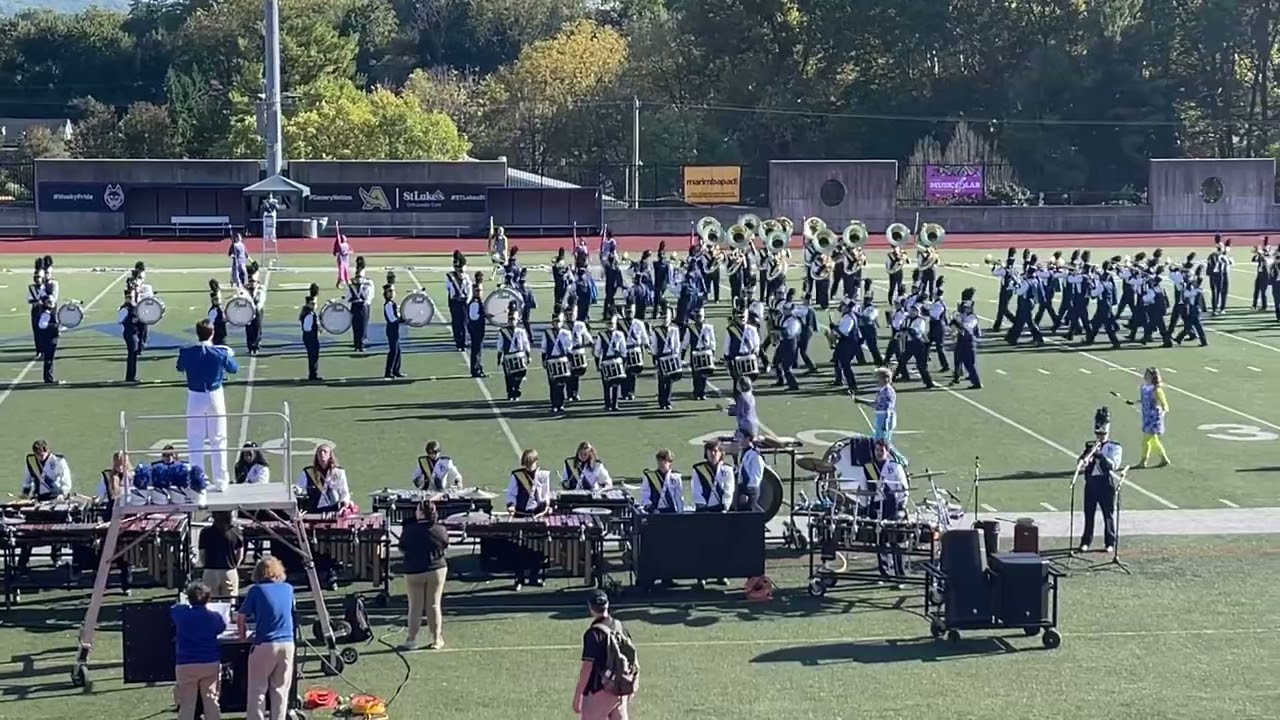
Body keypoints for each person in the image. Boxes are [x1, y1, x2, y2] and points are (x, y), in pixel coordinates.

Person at [177, 320, 239, 490]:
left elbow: (179, 367)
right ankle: (221, 480)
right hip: (214, 395)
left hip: (195, 396)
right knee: (218, 438)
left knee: (195, 439)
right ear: (212, 333)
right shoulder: (220, 352)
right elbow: (234, 369)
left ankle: (198, 480)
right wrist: (228, 355)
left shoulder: (187, 352)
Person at [238, 557, 296, 720]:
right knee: (280, 689)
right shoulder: (288, 588)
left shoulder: (256, 590)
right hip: (287, 643)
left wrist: (242, 637)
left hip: (265, 644)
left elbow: (242, 616)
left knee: (258, 689)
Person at [398, 500, 450, 651]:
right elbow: (445, 545)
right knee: (434, 604)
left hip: (414, 570)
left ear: (420, 513)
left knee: (415, 606)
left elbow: (402, 549)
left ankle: (412, 640)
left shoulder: (409, 530)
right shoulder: (440, 529)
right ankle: (436, 639)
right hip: (437, 569)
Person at [172, 582, 227, 720]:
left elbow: (173, 609)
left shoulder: (181, 614)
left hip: (186, 663)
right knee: (211, 700)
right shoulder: (214, 617)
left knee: (186, 703)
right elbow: (222, 628)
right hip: (210, 662)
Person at [574, 590, 633, 720]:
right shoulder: (620, 626)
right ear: (607, 604)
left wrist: (578, 694)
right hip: (619, 687)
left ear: (590, 607)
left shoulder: (593, 633)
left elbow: (587, 667)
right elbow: (631, 657)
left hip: (599, 689)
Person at [18, 439, 72, 571]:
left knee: (55, 529)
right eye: (38, 454)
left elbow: (66, 480)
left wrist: (63, 494)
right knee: (29, 529)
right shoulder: (31, 461)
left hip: (54, 498)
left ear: (48, 451)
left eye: (42, 454)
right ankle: (23, 561)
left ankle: (56, 557)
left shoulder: (58, 461)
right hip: (38, 498)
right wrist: (25, 493)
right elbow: (28, 478)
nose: (40, 457)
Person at [504, 448, 552, 589]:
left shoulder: (543, 475)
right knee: (520, 548)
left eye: (530, 463)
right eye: (526, 463)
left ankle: (535, 576)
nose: (528, 466)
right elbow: (511, 493)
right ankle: (519, 579)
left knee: (538, 548)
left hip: (537, 514)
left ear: (536, 461)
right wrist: (511, 505)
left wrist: (547, 505)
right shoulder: (517, 475)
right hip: (521, 514)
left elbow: (546, 493)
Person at [1078, 407, 1123, 554]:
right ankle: (1085, 541)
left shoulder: (1114, 447)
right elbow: (1081, 463)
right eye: (1098, 433)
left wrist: (1099, 455)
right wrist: (1085, 458)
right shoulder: (1090, 445)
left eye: (1102, 433)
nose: (1099, 436)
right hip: (1091, 484)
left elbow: (1112, 466)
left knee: (1108, 515)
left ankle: (1110, 542)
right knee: (1089, 514)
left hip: (1105, 485)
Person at [94, 451, 134, 594]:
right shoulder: (108, 476)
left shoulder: (132, 476)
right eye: (117, 463)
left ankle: (126, 584)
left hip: (127, 516)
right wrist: (97, 499)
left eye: (122, 462)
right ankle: (101, 584)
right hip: (111, 515)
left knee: (125, 553)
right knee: (106, 551)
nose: (119, 466)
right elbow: (101, 494)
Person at [200, 511, 245, 598]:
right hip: (229, 570)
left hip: (210, 570)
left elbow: (202, 555)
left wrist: (205, 565)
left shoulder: (205, 532)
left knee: (210, 601)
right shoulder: (236, 531)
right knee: (230, 601)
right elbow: (240, 554)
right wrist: (235, 564)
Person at [1138, 367, 1171, 468]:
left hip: (1153, 419)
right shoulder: (1144, 387)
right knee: (1153, 440)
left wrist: (1161, 415)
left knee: (1146, 440)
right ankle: (1163, 458)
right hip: (1146, 417)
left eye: (1148, 374)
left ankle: (1143, 461)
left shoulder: (1156, 390)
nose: (1146, 375)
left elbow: (1165, 405)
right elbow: (1145, 401)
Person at [640, 448, 684, 514]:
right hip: (654, 512)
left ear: (670, 462)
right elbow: (644, 497)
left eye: (665, 461)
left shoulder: (676, 477)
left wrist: (680, 513)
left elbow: (679, 498)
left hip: (671, 512)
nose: (661, 463)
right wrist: (652, 509)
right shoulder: (650, 476)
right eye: (659, 461)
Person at [734, 435, 765, 512]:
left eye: (740, 437)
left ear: (747, 439)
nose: (738, 439)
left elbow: (756, 477)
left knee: (748, 517)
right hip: (742, 489)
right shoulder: (744, 452)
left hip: (749, 491)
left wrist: (747, 493)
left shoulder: (755, 455)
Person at [119, 285, 142, 383]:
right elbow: (120, 320)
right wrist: (133, 320)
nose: (132, 298)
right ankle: (130, 377)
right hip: (130, 333)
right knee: (132, 355)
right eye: (131, 297)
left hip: (133, 332)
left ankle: (131, 376)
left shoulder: (132, 306)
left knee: (133, 354)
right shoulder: (125, 308)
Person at [383, 283, 405, 379]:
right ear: (386, 293)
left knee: (398, 351)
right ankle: (389, 372)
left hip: (394, 329)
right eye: (390, 291)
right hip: (391, 329)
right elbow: (392, 318)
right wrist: (401, 320)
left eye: (393, 291)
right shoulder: (388, 305)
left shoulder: (392, 304)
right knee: (393, 351)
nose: (392, 293)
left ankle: (396, 371)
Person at [300, 284, 321, 381]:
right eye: (313, 304)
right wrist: (316, 329)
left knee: (313, 356)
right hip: (310, 337)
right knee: (313, 356)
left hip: (309, 337)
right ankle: (313, 375)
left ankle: (313, 373)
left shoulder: (308, 312)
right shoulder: (309, 314)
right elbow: (307, 328)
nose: (315, 305)